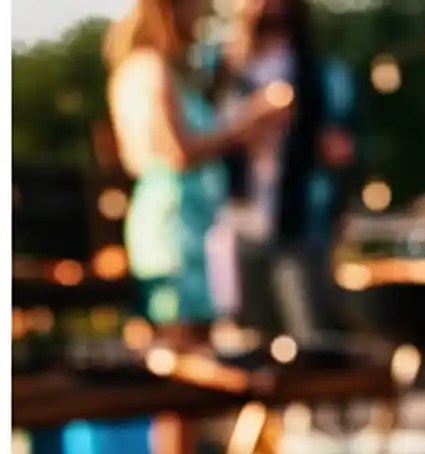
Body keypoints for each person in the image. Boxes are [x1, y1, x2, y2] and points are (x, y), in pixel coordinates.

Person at [105, 0, 290, 350]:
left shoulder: (165, 69)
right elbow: (176, 152)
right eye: (195, 8)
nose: (202, 17)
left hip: (195, 226)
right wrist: (246, 125)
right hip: (173, 228)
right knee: (182, 352)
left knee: (201, 348)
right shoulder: (149, 69)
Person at [205, 0, 361, 345]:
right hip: (238, 222)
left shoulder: (321, 74)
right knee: (252, 340)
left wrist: (333, 147)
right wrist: (252, 119)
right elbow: (203, 137)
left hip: (300, 220)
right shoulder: (221, 69)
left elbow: (347, 140)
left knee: (310, 334)